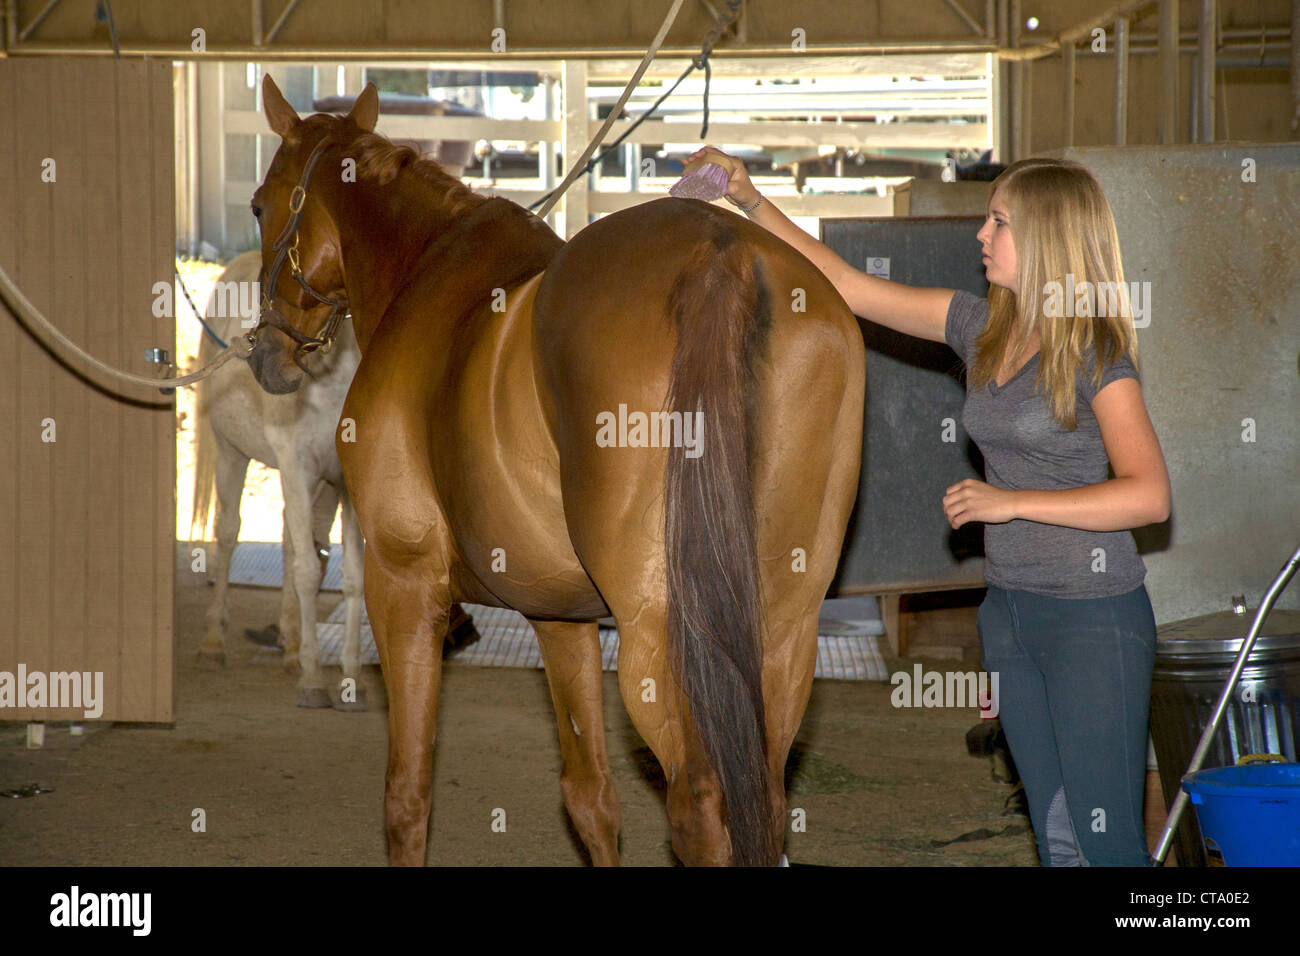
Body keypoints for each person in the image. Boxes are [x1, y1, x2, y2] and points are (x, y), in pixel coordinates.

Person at [685, 147, 1171, 867]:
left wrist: (1011, 504)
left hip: (1093, 618)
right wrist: (751, 200)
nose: (982, 236)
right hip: (1009, 614)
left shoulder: (1097, 357)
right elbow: (847, 285)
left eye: (998, 222)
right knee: (1057, 830)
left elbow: (1150, 494)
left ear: (1046, 239)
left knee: (1108, 841)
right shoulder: (981, 327)